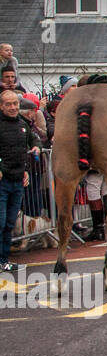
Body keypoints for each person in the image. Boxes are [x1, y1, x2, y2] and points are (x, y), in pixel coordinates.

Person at [0, 89, 39, 274]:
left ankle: (4, 260)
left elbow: (34, 140)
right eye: (8, 104)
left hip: (18, 181)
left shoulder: (22, 124)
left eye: (15, 103)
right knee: (0, 223)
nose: (13, 107)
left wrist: (36, 149)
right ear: (1, 106)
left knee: (9, 224)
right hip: (2, 181)